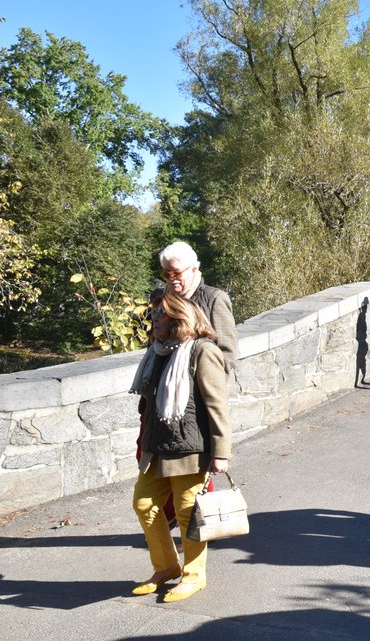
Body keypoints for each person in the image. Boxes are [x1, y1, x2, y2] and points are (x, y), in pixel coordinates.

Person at [129, 292, 232, 602]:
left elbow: (217, 404)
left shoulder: (203, 351)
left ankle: (194, 574)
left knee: (188, 514)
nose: (154, 320)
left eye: (161, 315)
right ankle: (167, 566)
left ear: (179, 319)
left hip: (191, 448)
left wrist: (221, 452)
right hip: (157, 445)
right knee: (144, 503)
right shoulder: (158, 351)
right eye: (155, 314)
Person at [156, 242, 238, 376]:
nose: (171, 279)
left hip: (203, 387)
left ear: (193, 269)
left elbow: (227, 353)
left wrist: (210, 388)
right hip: (166, 386)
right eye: (166, 273)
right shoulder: (161, 300)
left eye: (176, 273)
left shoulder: (214, 299)